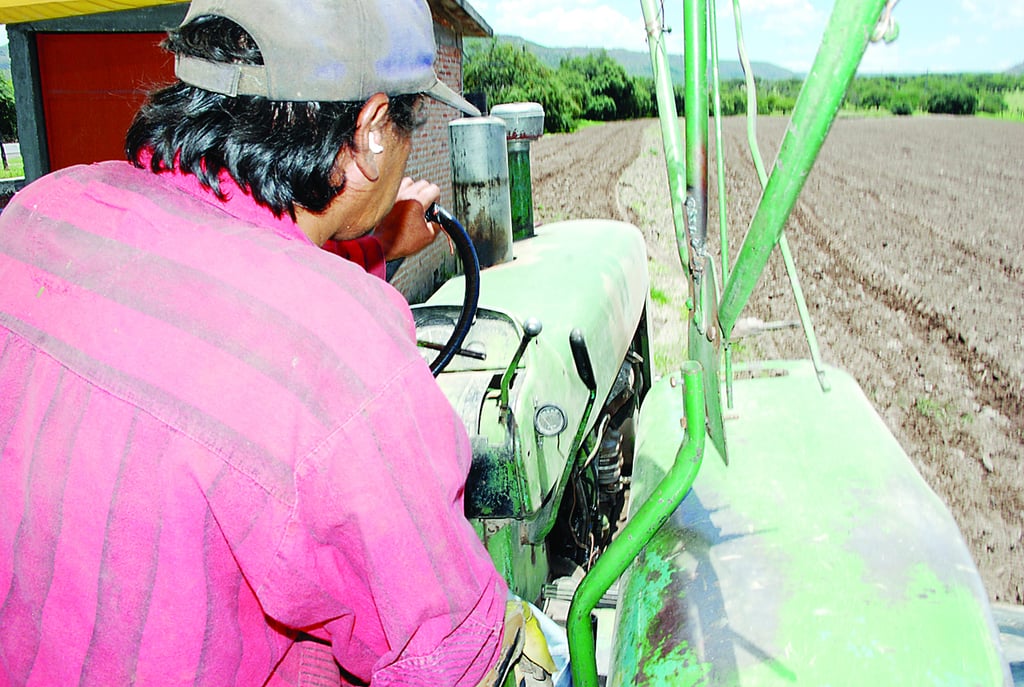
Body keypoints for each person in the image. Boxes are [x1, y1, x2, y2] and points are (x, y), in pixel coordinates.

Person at [0, 0, 525, 684]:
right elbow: (449, 657)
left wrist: (371, 249)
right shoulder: (347, 354)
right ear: (370, 131)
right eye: (406, 122)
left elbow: (219, 283)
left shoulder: (38, 212)